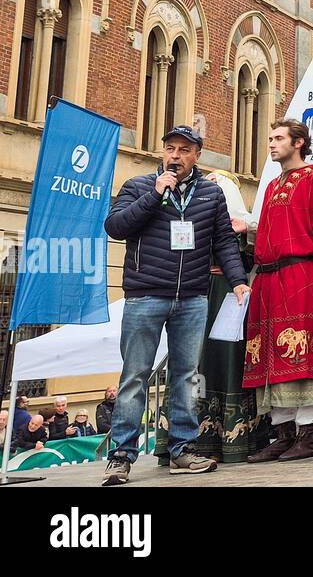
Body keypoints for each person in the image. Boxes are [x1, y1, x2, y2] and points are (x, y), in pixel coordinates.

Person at [101, 125, 250, 486]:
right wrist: (154, 196)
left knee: (185, 377)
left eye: (184, 150)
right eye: (170, 148)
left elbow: (226, 243)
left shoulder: (211, 195)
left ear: (197, 155)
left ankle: (183, 449)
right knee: (135, 376)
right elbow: (115, 227)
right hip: (145, 295)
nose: (175, 156)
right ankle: (121, 456)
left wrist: (238, 281)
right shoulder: (138, 186)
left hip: (192, 299)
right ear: (162, 152)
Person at [243, 118, 313, 464]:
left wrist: (307, 260)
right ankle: (283, 433)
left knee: (300, 352)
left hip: (298, 274)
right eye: (271, 138)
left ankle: (306, 436)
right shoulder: (273, 185)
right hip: (268, 279)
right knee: (272, 355)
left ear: (299, 142)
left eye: (278, 138)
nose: (271, 144)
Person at [185, 170, 269, 464]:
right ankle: (195, 439)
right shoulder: (190, 218)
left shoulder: (245, 227)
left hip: (228, 297)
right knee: (198, 364)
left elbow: (259, 252)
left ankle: (234, 437)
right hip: (198, 295)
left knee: (227, 361)